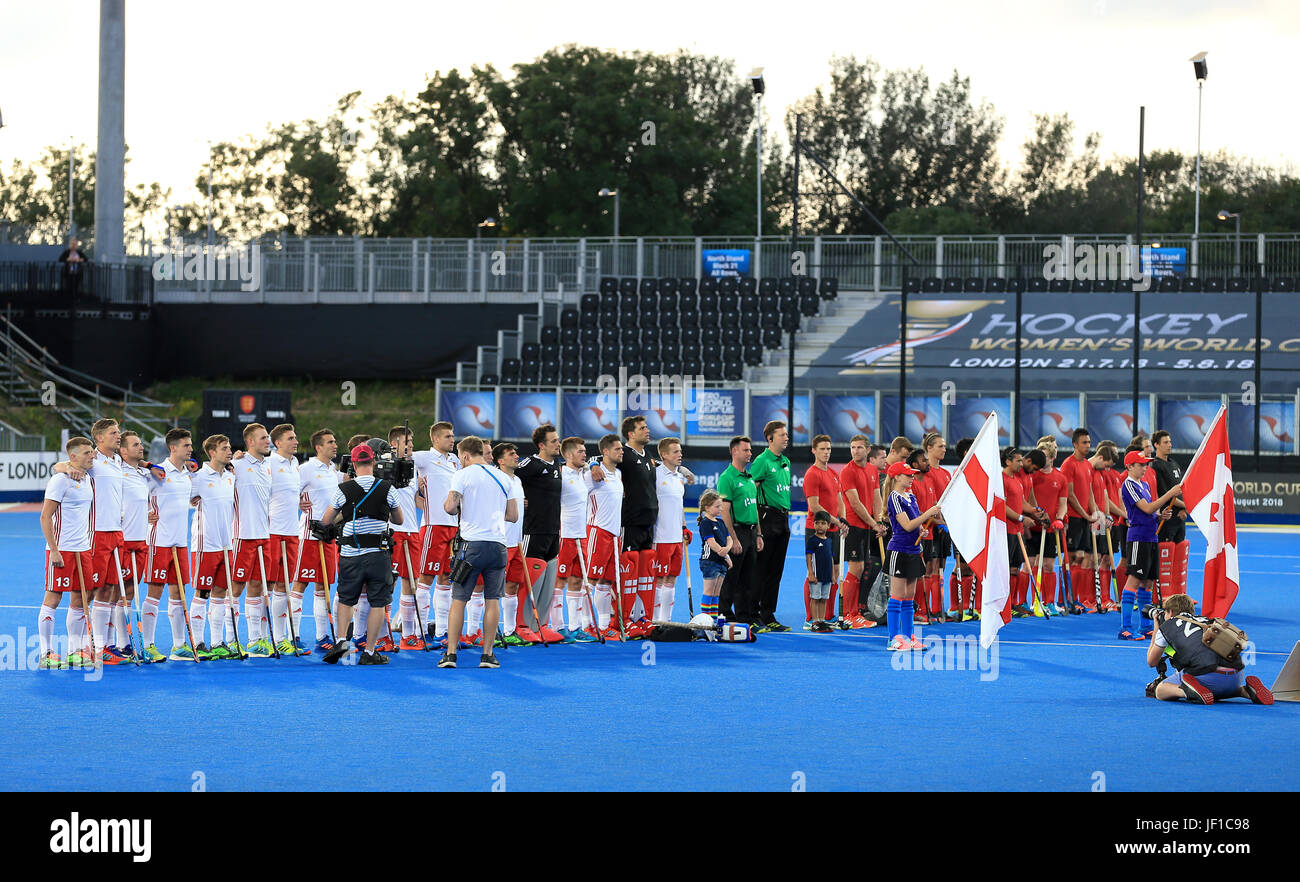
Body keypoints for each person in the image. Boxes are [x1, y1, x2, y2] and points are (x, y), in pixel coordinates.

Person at [437, 436, 518, 669]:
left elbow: (450, 507)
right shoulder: (505, 477)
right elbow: (513, 515)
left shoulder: (463, 474)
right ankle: (488, 655)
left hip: (471, 546)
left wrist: (468, 508)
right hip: (498, 545)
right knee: (492, 600)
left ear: (464, 455)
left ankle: (451, 654)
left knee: (459, 599)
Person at [320, 444, 404, 665]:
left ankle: (341, 640)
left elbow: (326, 520)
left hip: (350, 552)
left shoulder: (343, 489)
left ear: (353, 464)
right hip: (378, 553)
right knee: (378, 602)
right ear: (373, 463)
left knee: (347, 599)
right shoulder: (387, 487)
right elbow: (399, 520)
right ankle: (368, 652)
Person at [36, 437, 97, 668]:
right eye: (86, 453)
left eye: (92, 451)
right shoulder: (59, 480)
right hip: (62, 549)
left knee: (80, 600)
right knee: (53, 598)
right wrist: (53, 550)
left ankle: (74, 651)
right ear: (72, 457)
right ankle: (46, 653)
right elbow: (45, 516)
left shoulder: (89, 479)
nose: (92, 456)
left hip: (83, 549)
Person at [1146, 593, 1272, 704]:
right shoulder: (1207, 621)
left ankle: (1187, 691)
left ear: (1171, 613)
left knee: (1161, 690)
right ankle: (1245, 691)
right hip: (1236, 676)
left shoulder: (1168, 626)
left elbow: (1152, 662)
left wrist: (1157, 627)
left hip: (1206, 676)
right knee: (1214, 686)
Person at [146, 429, 201, 660]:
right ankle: (148, 645)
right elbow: (133, 496)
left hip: (180, 543)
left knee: (178, 593)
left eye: (190, 445)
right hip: (159, 542)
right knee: (154, 593)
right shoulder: (157, 473)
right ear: (173, 448)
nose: (190, 449)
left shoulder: (187, 474)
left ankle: (178, 646)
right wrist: (143, 513)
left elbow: (192, 497)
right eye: (186, 445)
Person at [1118, 451, 1182, 641]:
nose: (1145, 467)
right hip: (1138, 537)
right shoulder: (1128, 485)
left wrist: (1160, 516)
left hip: (1151, 537)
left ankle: (1145, 626)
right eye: (1140, 464)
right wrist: (1169, 494)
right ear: (1129, 466)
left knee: (1148, 583)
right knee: (1134, 580)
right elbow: (1146, 508)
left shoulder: (1144, 484)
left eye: (1146, 464)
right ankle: (1125, 627)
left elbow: (1150, 512)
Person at [514, 424, 567, 643]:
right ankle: (522, 625)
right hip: (533, 531)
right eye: (554, 441)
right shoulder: (530, 464)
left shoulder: (557, 465)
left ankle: (541, 624)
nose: (558, 444)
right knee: (530, 579)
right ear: (541, 445)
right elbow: (506, 475)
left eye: (558, 440)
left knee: (548, 581)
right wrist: (518, 498)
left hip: (553, 531)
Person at [190, 434, 240, 660]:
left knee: (221, 594)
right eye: (224, 448)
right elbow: (184, 499)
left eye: (229, 447)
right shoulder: (199, 477)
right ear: (212, 452)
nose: (229, 451)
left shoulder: (230, 477)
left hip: (226, 544)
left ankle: (217, 643)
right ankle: (198, 643)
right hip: (205, 544)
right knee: (202, 593)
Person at [884, 461, 941, 651]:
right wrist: (928, 514)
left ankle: (908, 636)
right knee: (898, 595)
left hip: (914, 550)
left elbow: (914, 526)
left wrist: (921, 532)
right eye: (908, 475)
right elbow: (906, 525)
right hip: (899, 550)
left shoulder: (911, 497)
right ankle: (894, 638)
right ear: (897, 477)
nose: (911, 478)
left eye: (911, 475)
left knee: (909, 596)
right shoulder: (894, 498)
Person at [413, 422, 460, 645]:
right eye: (448, 436)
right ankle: (419, 631)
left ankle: (442, 632)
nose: (452, 440)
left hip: (455, 526)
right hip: (433, 527)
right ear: (435, 440)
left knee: (447, 579)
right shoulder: (423, 458)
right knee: (426, 578)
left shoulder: (455, 461)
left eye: (453, 436)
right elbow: (398, 466)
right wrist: (415, 486)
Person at [230, 423, 275, 657]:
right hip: (242, 536)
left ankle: (255, 640)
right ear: (250, 442)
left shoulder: (267, 467)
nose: (268, 441)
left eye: (267, 437)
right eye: (263, 438)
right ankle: (230, 640)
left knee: (257, 586)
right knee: (235, 587)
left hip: (264, 535)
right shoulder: (235, 465)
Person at [264, 424, 309, 655]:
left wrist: (299, 502)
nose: (295, 441)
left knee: (284, 585)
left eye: (295, 437)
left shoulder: (295, 466)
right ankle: (263, 637)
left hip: (292, 533)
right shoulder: (268, 463)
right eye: (290, 438)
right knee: (267, 585)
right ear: (278, 443)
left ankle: (281, 638)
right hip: (272, 532)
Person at [297, 428, 343, 651]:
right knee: (300, 583)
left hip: (329, 535)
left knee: (323, 586)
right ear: (318, 447)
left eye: (334, 442)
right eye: (330, 442)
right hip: (309, 535)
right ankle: (294, 635)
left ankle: (322, 636)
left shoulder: (333, 469)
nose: (335, 445)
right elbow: (287, 490)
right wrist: (297, 502)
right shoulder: (306, 469)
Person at [614, 416, 659, 634]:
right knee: (628, 572)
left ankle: (641, 617)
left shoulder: (648, 456)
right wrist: (594, 464)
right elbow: (599, 457)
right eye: (642, 428)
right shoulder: (623, 454)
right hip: (630, 523)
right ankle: (624, 619)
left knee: (645, 574)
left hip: (648, 524)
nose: (647, 431)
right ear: (630, 434)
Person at [838, 434, 887, 629]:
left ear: (867, 450)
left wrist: (880, 521)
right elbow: (855, 503)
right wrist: (873, 524)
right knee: (856, 569)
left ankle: (855, 612)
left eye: (859, 447)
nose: (855, 451)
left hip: (867, 526)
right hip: (854, 525)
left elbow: (877, 497)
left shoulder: (872, 470)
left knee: (861, 568)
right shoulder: (847, 471)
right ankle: (849, 614)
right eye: (852, 447)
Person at [749, 420, 793, 632]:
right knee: (761, 569)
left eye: (786, 434)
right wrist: (757, 528)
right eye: (782, 435)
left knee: (776, 571)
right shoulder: (761, 461)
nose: (786, 438)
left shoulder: (785, 461)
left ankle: (768, 614)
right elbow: (751, 492)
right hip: (767, 518)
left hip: (783, 519)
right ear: (770, 439)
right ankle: (753, 613)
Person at [716, 435, 762, 628]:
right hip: (737, 531)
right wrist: (732, 539)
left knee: (748, 578)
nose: (750, 453)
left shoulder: (749, 478)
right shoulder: (727, 478)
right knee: (732, 577)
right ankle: (724, 614)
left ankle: (745, 616)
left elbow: (754, 507)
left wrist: (758, 534)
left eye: (750, 450)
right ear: (735, 451)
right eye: (746, 450)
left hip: (751, 533)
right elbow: (724, 511)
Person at [386, 425, 425, 650]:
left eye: (411, 440)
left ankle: (408, 635)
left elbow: (415, 501)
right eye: (406, 441)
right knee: (387, 584)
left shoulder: (413, 468)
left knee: (412, 583)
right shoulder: (384, 468)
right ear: (394, 444)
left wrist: (430, 500)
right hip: (393, 531)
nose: (411, 444)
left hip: (412, 532)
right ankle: (384, 633)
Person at [584, 434, 626, 640]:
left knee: (606, 582)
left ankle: (602, 626)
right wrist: (592, 465)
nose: (621, 451)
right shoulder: (593, 474)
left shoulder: (618, 474)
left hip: (614, 535)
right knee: (590, 580)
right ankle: (584, 625)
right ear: (606, 452)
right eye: (618, 449)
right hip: (598, 531)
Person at [555, 436, 596, 640]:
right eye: (580, 451)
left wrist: (593, 463)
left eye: (584, 451)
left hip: (582, 536)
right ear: (569, 454)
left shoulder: (585, 474)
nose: (584, 454)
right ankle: (557, 627)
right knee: (559, 581)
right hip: (565, 535)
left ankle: (575, 627)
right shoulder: (561, 475)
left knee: (578, 581)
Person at [802, 434, 843, 627]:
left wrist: (842, 521)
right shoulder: (812, 474)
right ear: (814, 451)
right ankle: (810, 618)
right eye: (822, 449)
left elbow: (839, 499)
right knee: (815, 573)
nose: (826, 452)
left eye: (828, 449)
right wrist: (835, 521)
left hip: (833, 529)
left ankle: (827, 615)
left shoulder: (833, 474)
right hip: (816, 530)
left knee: (833, 571)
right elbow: (814, 505)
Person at [651, 437, 691, 623]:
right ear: (664, 454)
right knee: (658, 579)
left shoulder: (679, 477)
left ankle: (666, 621)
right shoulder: (655, 474)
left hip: (676, 537)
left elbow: (679, 504)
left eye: (680, 451)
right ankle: (653, 621)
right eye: (675, 451)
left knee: (672, 579)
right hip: (660, 537)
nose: (680, 454)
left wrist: (684, 526)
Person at [1025, 446, 1068, 615]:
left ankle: (1048, 602)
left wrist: (1059, 518)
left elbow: (1063, 502)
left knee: (1049, 565)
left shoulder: (1060, 478)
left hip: (1050, 528)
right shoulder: (1031, 475)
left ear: (1052, 458)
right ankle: (1027, 602)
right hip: (1033, 526)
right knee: (1029, 565)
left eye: (1046, 457)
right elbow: (1026, 498)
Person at [1150, 429, 1189, 596]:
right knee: (1165, 557)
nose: (1169, 445)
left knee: (1180, 555)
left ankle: (1179, 594)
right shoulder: (1155, 466)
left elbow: (1182, 491)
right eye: (1165, 442)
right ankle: (1163, 594)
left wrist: (1184, 509)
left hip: (1179, 517)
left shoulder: (1174, 464)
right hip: (1166, 517)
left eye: (1170, 442)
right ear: (1156, 445)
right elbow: (1164, 494)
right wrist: (1185, 506)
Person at [695, 490, 733, 621]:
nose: (720, 509)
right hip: (710, 561)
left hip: (721, 561)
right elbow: (711, 542)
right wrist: (722, 552)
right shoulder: (706, 523)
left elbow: (729, 539)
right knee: (709, 592)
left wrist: (726, 552)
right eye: (717, 506)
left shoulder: (721, 522)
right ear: (707, 508)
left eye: (720, 506)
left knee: (716, 594)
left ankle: (714, 622)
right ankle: (706, 621)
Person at [805, 511, 836, 632]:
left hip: (827, 576)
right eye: (817, 523)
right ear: (813, 525)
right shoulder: (812, 540)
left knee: (823, 599)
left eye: (823, 523)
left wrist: (833, 575)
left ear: (828, 525)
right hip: (816, 577)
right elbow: (808, 557)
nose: (820, 526)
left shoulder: (829, 541)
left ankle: (822, 621)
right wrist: (811, 573)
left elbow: (831, 559)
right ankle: (815, 622)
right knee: (815, 598)